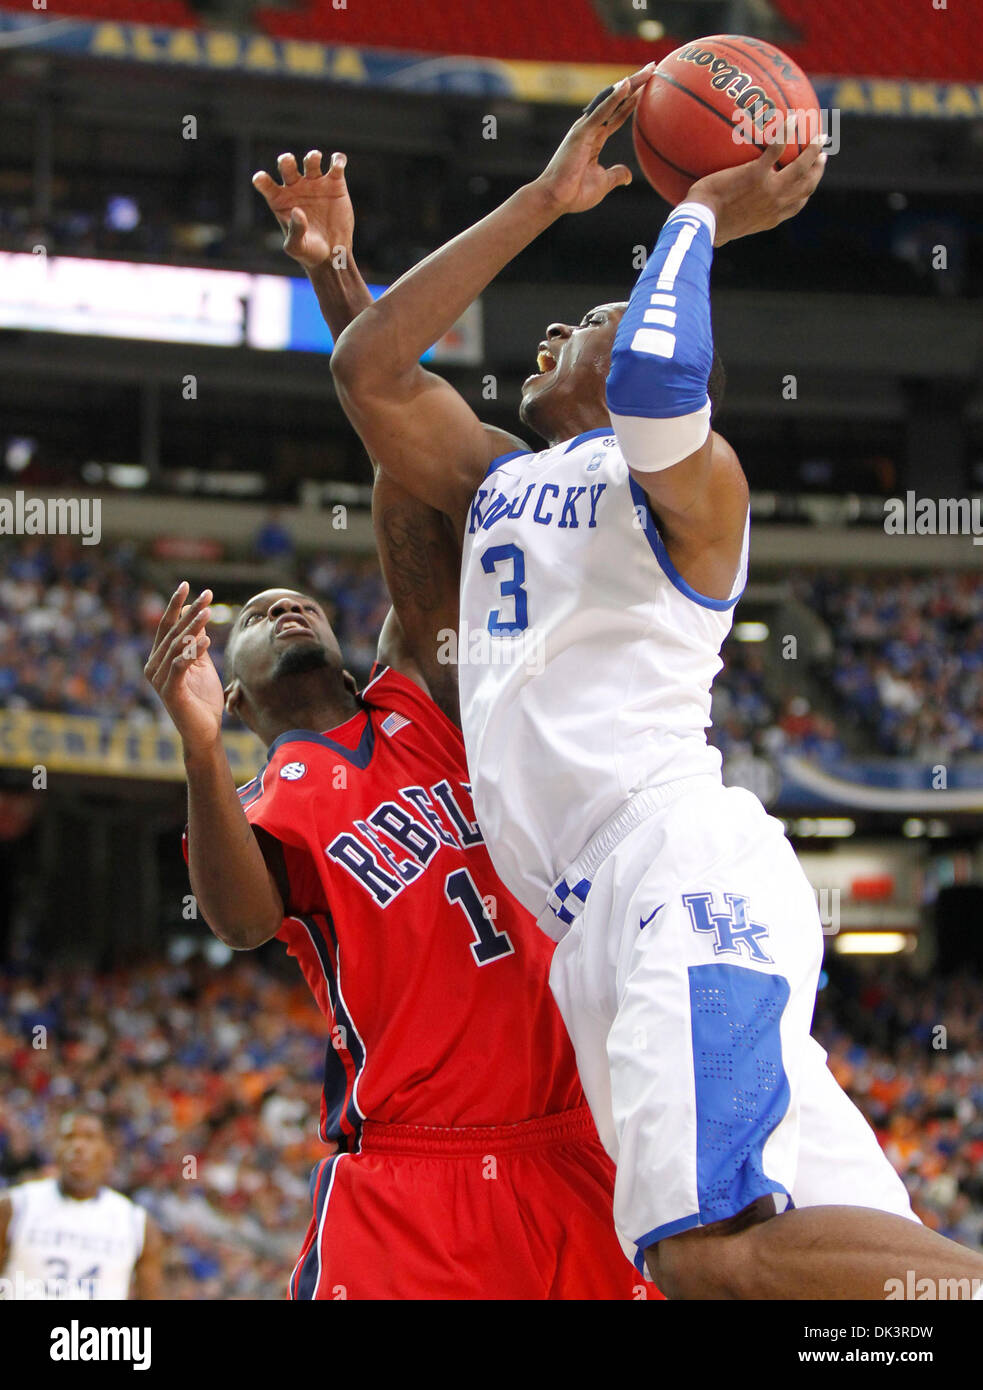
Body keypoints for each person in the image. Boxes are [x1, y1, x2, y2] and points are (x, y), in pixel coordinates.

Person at [327, 68, 983, 1299]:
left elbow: (655, 392)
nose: (550, 333)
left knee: (701, 1254)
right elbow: (368, 370)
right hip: (598, 916)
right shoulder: (497, 480)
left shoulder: (695, 485)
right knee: (802, 1261)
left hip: (668, 868)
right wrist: (540, 198)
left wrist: (696, 221)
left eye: (584, 318)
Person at [143, 151, 642, 1300]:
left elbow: (405, 453)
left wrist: (337, 277)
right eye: (249, 623)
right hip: (405, 1177)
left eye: (292, 598)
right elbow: (235, 917)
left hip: (567, 1142)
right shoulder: (268, 800)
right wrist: (200, 747)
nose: (276, 606)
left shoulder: (422, 698)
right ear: (242, 691)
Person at [0, 1111, 162, 1300]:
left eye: (89, 1138)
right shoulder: (15, 1207)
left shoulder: (136, 1223)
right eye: (69, 1137)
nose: (78, 1146)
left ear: (109, 1152)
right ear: (56, 1148)